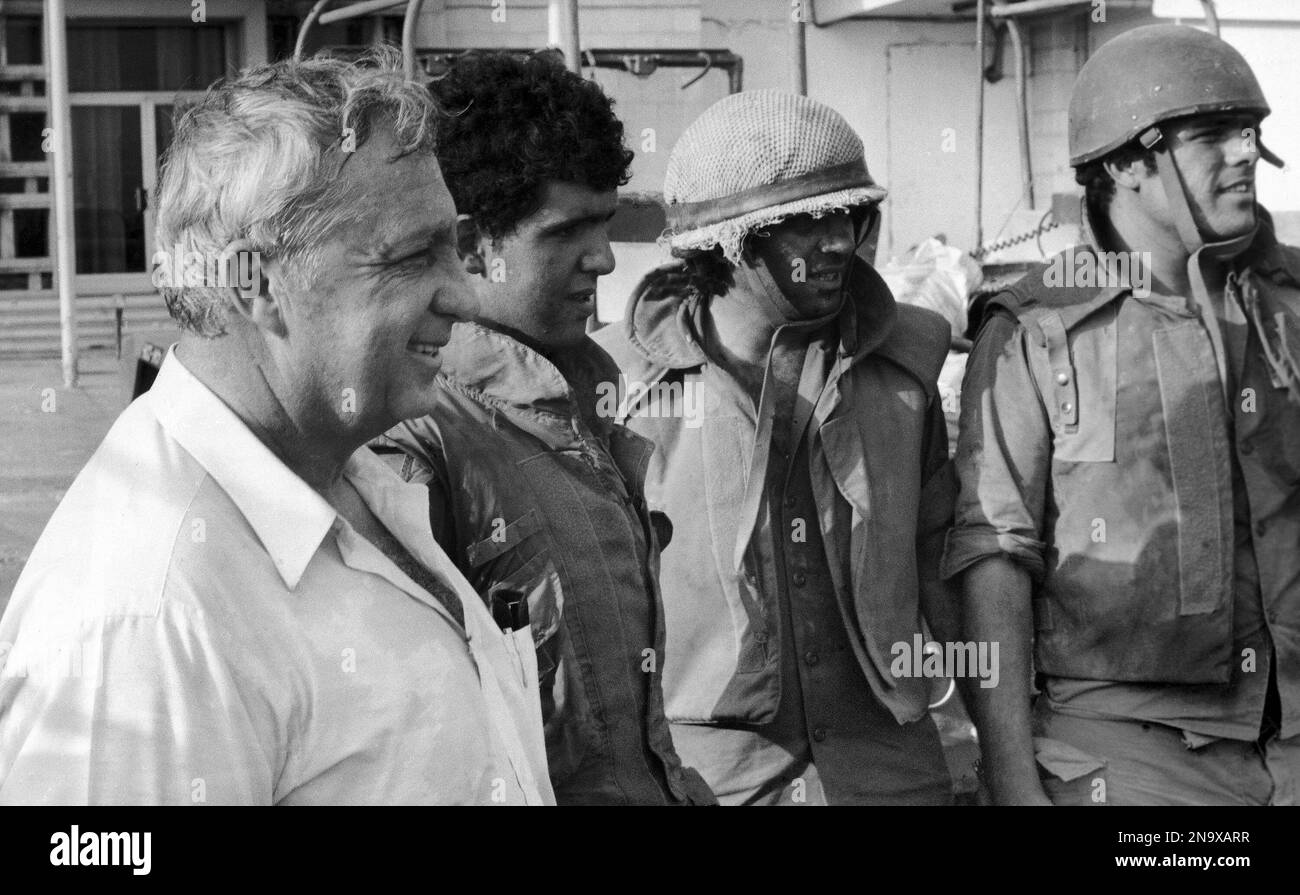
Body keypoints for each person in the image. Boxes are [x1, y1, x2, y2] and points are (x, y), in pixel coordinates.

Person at [0, 50, 554, 805]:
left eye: (453, 243)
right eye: (413, 255)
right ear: (257, 283)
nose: (462, 294)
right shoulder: (149, 621)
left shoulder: (344, 471)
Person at [947, 24, 1300, 806]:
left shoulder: (1287, 307)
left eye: (1250, 133)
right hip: (1127, 754)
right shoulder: (1035, 333)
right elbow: (993, 558)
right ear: (1126, 164)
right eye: (1211, 135)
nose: (1245, 153)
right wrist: (1010, 776)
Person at [595, 90, 958, 805]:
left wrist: (1002, 757)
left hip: (890, 776)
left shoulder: (906, 369)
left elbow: (944, 565)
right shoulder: (613, 391)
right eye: (802, 223)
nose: (838, 242)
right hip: (709, 784)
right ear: (727, 240)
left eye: (849, 215)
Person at [373, 52, 713, 805]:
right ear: (469, 245)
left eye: (607, 221)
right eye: (566, 232)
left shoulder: (582, 400)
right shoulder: (411, 435)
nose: (603, 257)